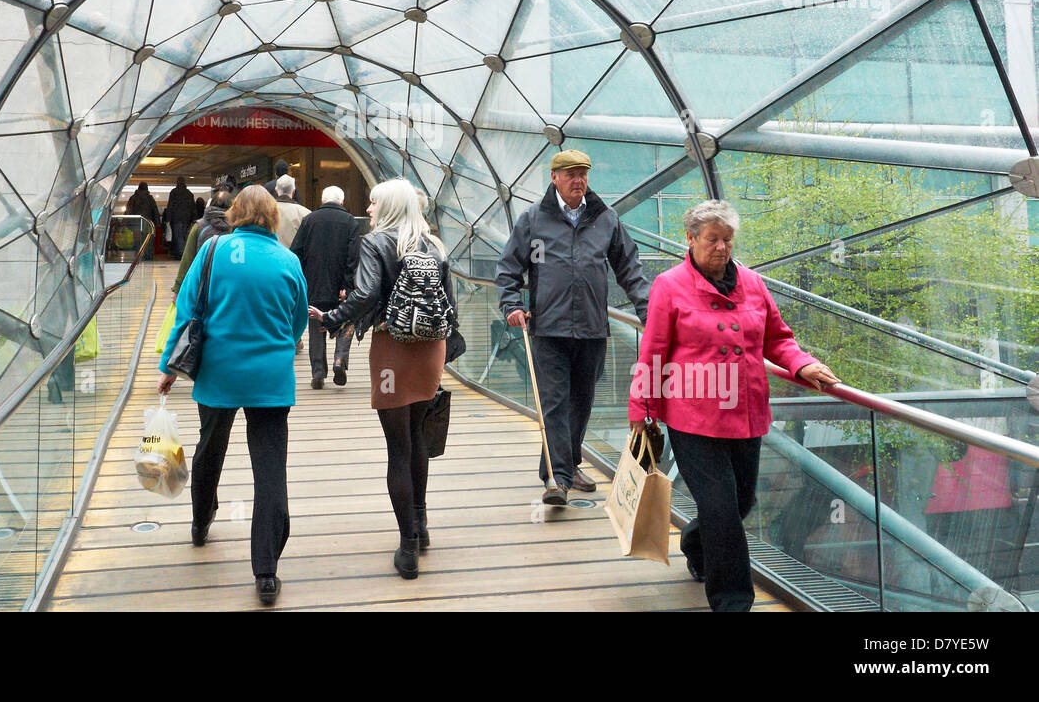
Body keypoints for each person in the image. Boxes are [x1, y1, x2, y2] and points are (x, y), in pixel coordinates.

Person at [628, 200, 839, 612]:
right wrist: (642, 408)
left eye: (727, 239)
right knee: (723, 510)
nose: (721, 248)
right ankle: (733, 601)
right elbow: (652, 350)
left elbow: (778, 339)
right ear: (690, 240)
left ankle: (693, 540)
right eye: (712, 240)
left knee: (740, 503)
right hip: (694, 415)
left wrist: (804, 363)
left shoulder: (754, 284)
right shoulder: (669, 286)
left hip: (746, 412)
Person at [158, 186, 308, 607]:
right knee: (270, 469)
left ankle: (200, 521)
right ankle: (266, 572)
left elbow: (187, 314)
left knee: (210, 446)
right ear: (273, 217)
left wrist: (169, 369)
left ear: (236, 213)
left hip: (217, 374)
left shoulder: (212, 252)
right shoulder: (288, 261)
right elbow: (298, 322)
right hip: (270, 381)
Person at [310, 178, 458, 581]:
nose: (369, 210)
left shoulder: (374, 244)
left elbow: (364, 294)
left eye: (373, 204)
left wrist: (330, 321)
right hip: (431, 350)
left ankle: (407, 547)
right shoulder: (434, 245)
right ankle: (422, 526)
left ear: (388, 206)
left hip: (392, 349)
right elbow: (450, 305)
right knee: (418, 439)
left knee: (398, 447)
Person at [495, 149, 650, 504]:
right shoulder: (534, 219)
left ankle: (566, 463)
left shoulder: (605, 219)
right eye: (571, 175)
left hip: (593, 329)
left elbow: (630, 270)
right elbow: (508, 268)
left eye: (583, 174)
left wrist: (650, 313)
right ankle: (558, 480)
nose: (578, 181)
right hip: (548, 328)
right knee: (554, 403)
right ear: (555, 178)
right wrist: (511, 305)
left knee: (580, 403)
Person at [290, 185, 359, 389]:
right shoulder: (350, 222)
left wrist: (302, 279)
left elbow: (296, 252)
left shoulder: (309, 220)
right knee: (345, 321)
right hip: (340, 289)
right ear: (342, 201)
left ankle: (318, 373)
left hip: (314, 286)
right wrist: (347, 286)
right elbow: (353, 258)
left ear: (322, 199)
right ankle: (340, 359)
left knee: (315, 328)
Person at [173, 188, 233, 301]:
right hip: (229, 286)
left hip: (201, 284)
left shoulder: (199, 226)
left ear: (211, 204)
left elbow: (187, 259)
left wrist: (178, 288)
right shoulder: (237, 226)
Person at [125, 182, 161, 260]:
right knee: (148, 241)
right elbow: (155, 211)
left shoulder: (133, 198)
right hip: (148, 224)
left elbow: (129, 211)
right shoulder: (150, 198)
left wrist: (127, 224)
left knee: (138, 242)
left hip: (136, 224)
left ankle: (138, 258)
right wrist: (157, 223)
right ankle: (148, 258)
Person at [273, 174, 310, 249]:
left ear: (276, 190)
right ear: (293, 191)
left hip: (270, 257)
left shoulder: (264, 211)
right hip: (294, 258)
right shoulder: (306, 214)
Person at [164, 176, 197, 259]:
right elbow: (193, 207)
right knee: (183, 235)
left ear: (177, 182)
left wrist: (168, 219)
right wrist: (194, 219)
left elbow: (170, 206)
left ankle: (181, 254)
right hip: (186, 218)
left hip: (176, 218)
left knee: (177, 236)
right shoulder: (189, 193)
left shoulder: (174, 192)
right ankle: (181, 253)